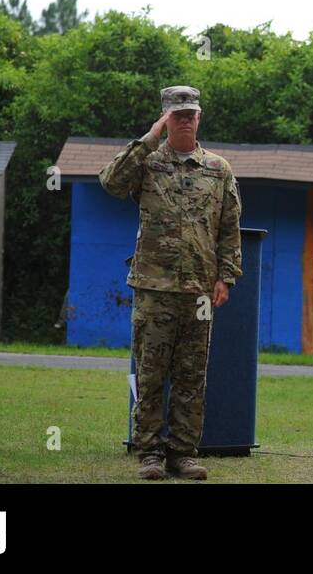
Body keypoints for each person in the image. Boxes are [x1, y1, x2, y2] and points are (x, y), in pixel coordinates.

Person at [99, 85, 242, 480]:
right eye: (176, 114)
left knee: (191, 376)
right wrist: (148, 139)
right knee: (150, 373)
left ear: (199, 118)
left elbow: (229, 227)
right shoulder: (147, 163)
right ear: (164, 117)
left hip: (198, 291)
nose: (184, 119)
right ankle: (149, 453)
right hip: (154, 288)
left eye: (189, 113)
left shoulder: (217, 168)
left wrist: (225, 277)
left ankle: (183, 454)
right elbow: (111, 182)